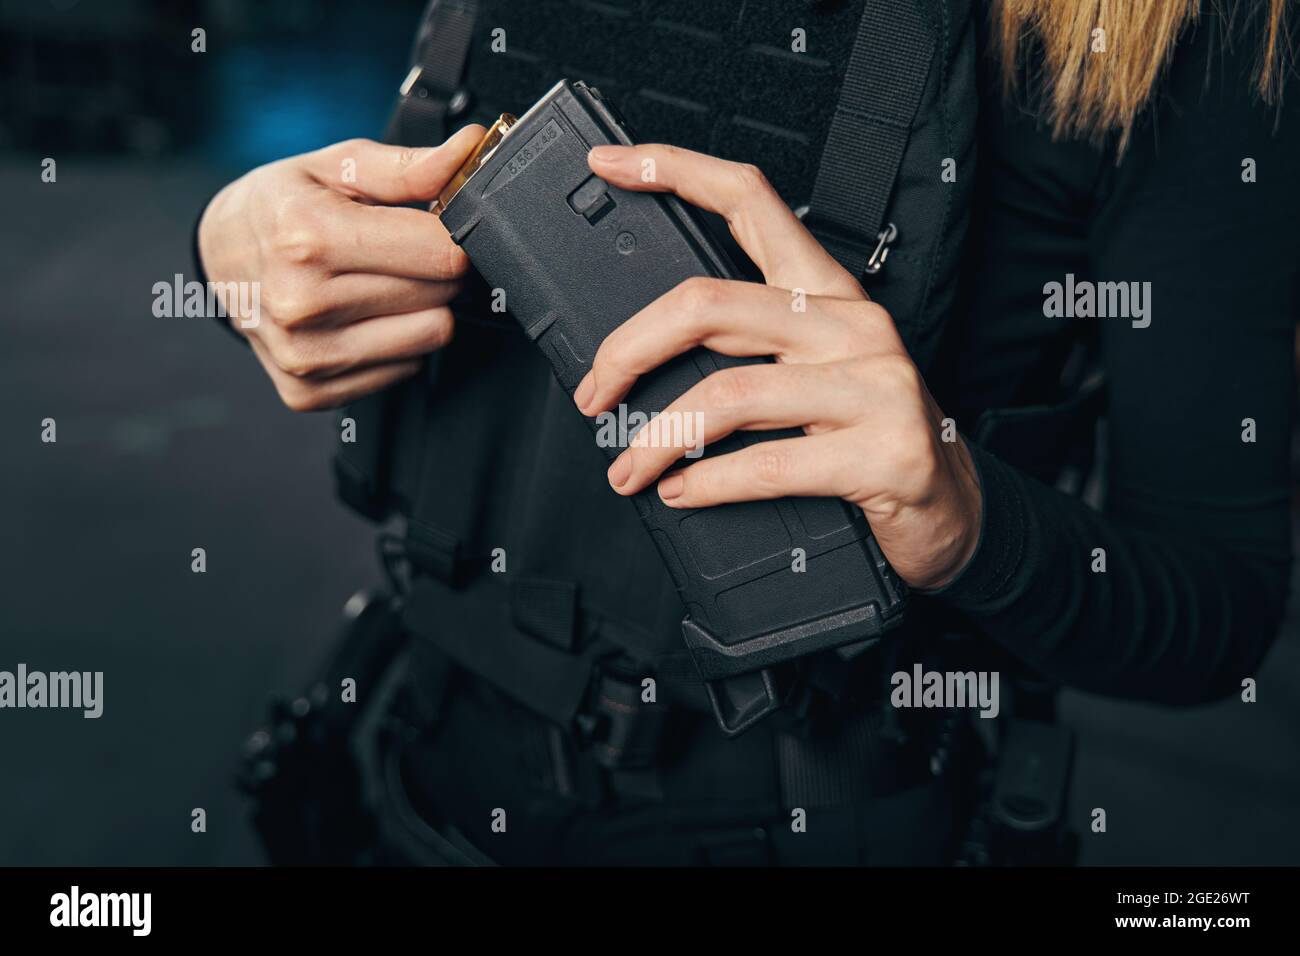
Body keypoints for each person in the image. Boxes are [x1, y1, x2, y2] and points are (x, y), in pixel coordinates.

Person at [197, 0, 1297, 865]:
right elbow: (386, 209)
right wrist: (231, 254)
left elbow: (1222, 602)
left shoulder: (1170, 34)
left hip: (813, 813)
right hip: (419, 749)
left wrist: (969, 519)